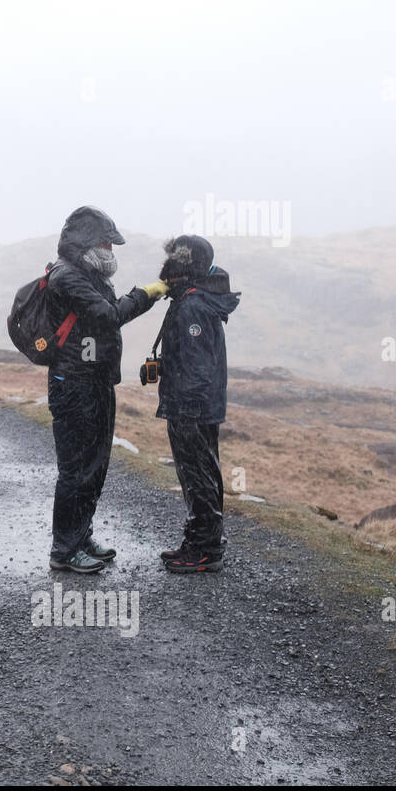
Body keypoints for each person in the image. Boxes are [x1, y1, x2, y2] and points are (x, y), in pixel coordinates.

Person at [45, 206, 169, 573]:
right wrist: (147, 293)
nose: (111, 252)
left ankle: (81, 537)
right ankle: (64, 551)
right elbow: (109, 315)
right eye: (105, 243)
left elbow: (106, 312)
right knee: (76, 470)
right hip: (74, 387)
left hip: (97, 384)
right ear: (85, 243)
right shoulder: (67, 278)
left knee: (94, 467)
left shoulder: (89, 274)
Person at [153, 234, 241, 573]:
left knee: (198, 475)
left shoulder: (192, 306)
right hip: (196, 406)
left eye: (173, 264)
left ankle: (205, 549)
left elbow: (197, 365)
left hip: (190, 408)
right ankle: (199, 542)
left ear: (182, 266)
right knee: (201, 473)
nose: (166, 272)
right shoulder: (197, 300)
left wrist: (185, 409)